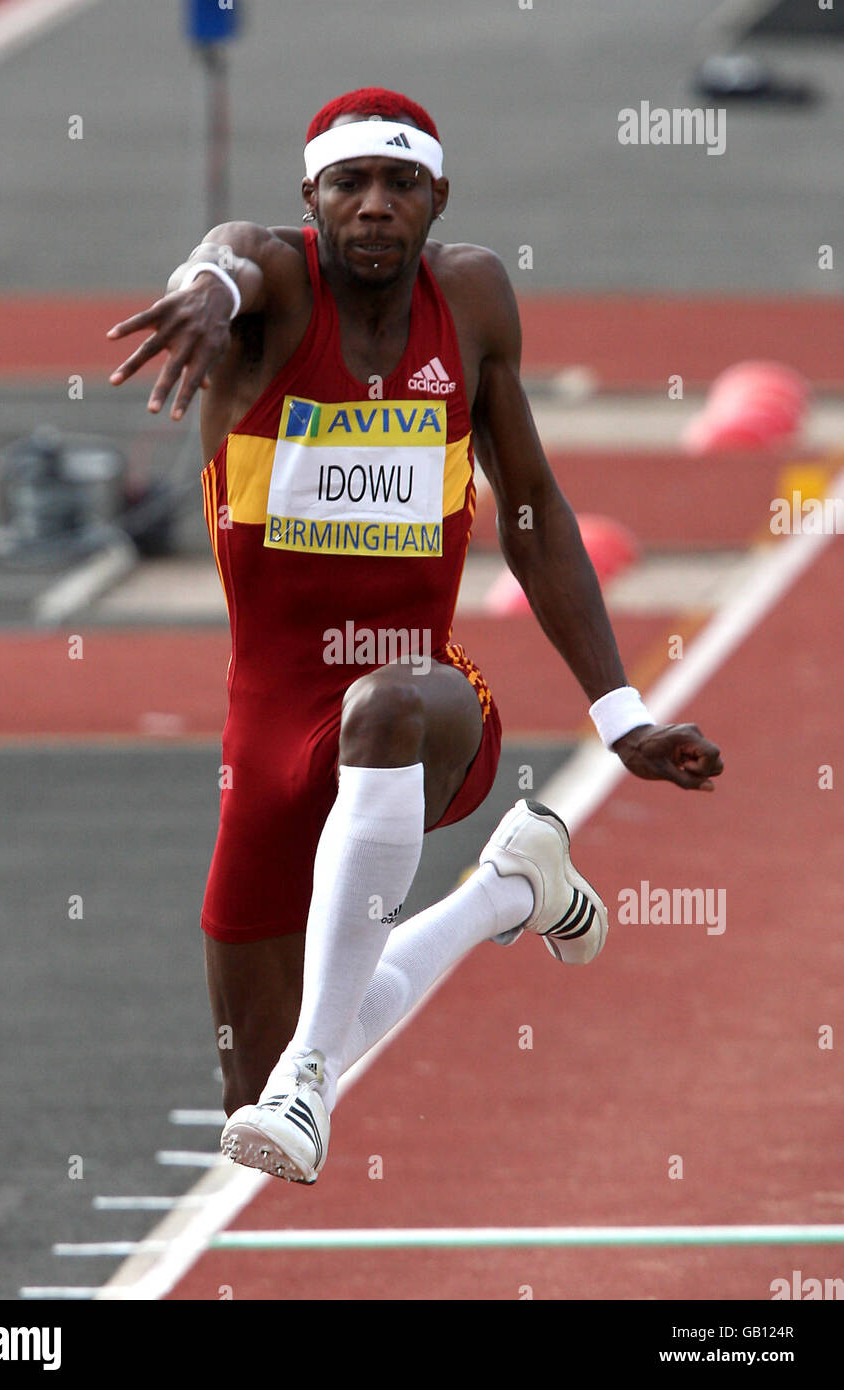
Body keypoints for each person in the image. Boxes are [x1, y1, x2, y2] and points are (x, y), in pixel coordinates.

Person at [108, 87, 723, 1184]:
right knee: (249, 1100)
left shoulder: (474, 299)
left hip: (427, 697)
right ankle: (508, 889)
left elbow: (529, 510)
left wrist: (618, 711)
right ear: (313, 200)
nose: (376, 208)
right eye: (351, 185)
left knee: (385, 700)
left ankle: (310, 1074)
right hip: (268, 728)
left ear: (438, 198)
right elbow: (228, 253)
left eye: (402, 186)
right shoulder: (273, 291)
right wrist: (202, 285)